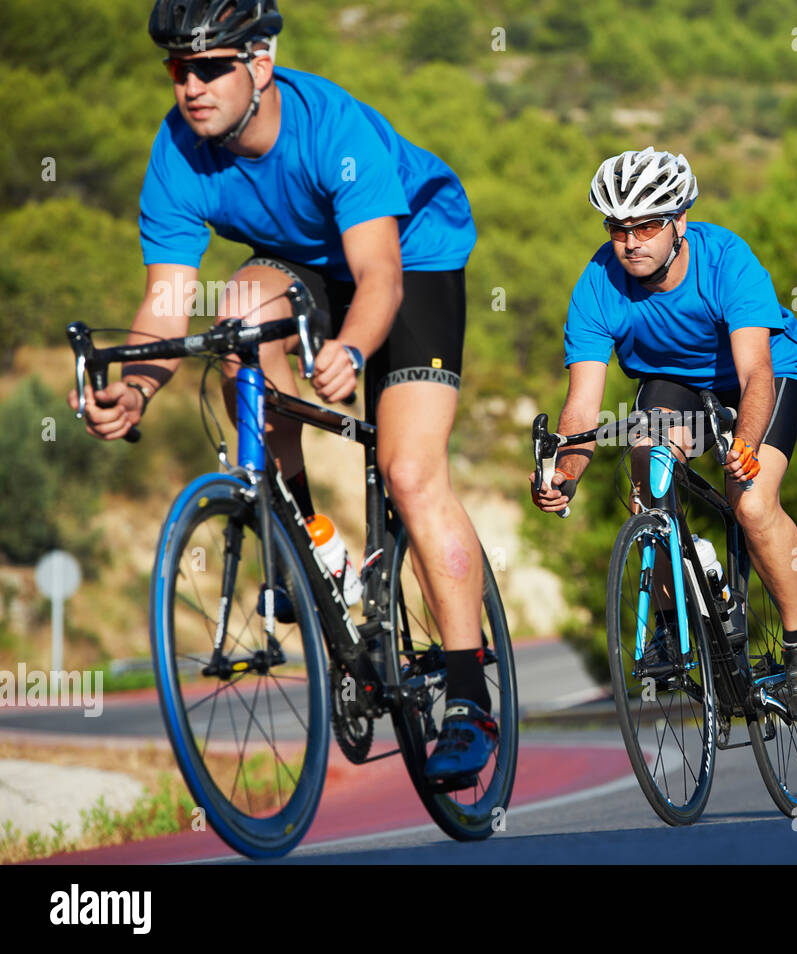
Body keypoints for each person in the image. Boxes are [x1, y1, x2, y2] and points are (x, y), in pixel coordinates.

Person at [66, 0, 496, 787]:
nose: (190, 87)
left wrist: (352, 350)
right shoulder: (178, 149)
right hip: (301, 260)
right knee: (234, 327)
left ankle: (470, 699)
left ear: (258, 62)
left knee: (408, 471)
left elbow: (379, 278)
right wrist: (134, 387)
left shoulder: (332, 127)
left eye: (209, 67)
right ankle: (312, 543)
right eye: (176, 70)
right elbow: (170, 299)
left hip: (412, 258)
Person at [531, 147, 797, 722]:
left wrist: (741, 446)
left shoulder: (728, 262)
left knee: (752, 501)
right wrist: (563, 474)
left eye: (646, 225)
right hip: (671, 379)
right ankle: (672, 618)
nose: (631, 241)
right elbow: (582, 407)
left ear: (679, 224)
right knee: (647, 462)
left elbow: (756, 375)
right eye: (618, 228)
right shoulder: (597, 284)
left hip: (761, 378)